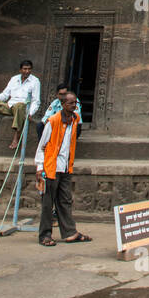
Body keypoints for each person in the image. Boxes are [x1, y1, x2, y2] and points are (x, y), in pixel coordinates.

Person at [34, 92, 91, 246]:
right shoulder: (52, 121)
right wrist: (40, 167)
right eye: (72, 103)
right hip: (51, 167)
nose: (75, 106)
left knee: (65, 200)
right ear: (64, 105)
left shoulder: (75, 120)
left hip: (65, 166)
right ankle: (45, 235)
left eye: (76, 104)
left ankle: (70, 232)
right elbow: (42, 146)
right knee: (48, 202)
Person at [0, 60, 42, 150]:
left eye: (29, 69)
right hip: (10, 106)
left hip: (22, 108)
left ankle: (16, 138)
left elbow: (36, 101)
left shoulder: (35, 81)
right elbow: (5, 95)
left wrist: (30, 113)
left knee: (19, 106)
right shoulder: (14, 79)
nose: (27, 71)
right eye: (25, 69)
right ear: (20, 70)